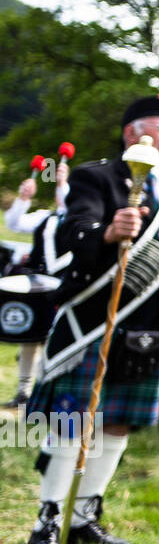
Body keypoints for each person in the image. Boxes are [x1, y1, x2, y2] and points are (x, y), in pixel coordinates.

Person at [23, 93, 159, 544]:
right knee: (73, 419)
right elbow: (70, 229)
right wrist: (104, 233)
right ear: (131, 132)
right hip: (92, 320)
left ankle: (83, 518)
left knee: (117, 423)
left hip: (146, 329)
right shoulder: (94, 176)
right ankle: (47, 522)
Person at [3, 162, 70, 408]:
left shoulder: (80, 218)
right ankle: (23, 392)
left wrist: (63, 183)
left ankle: (46, 393)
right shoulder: (44, 216)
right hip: (38, 285)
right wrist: (23, 198)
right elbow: (14, 223)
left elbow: (69, 202)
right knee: (29, 337)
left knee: (53, 340)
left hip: (63, 287)